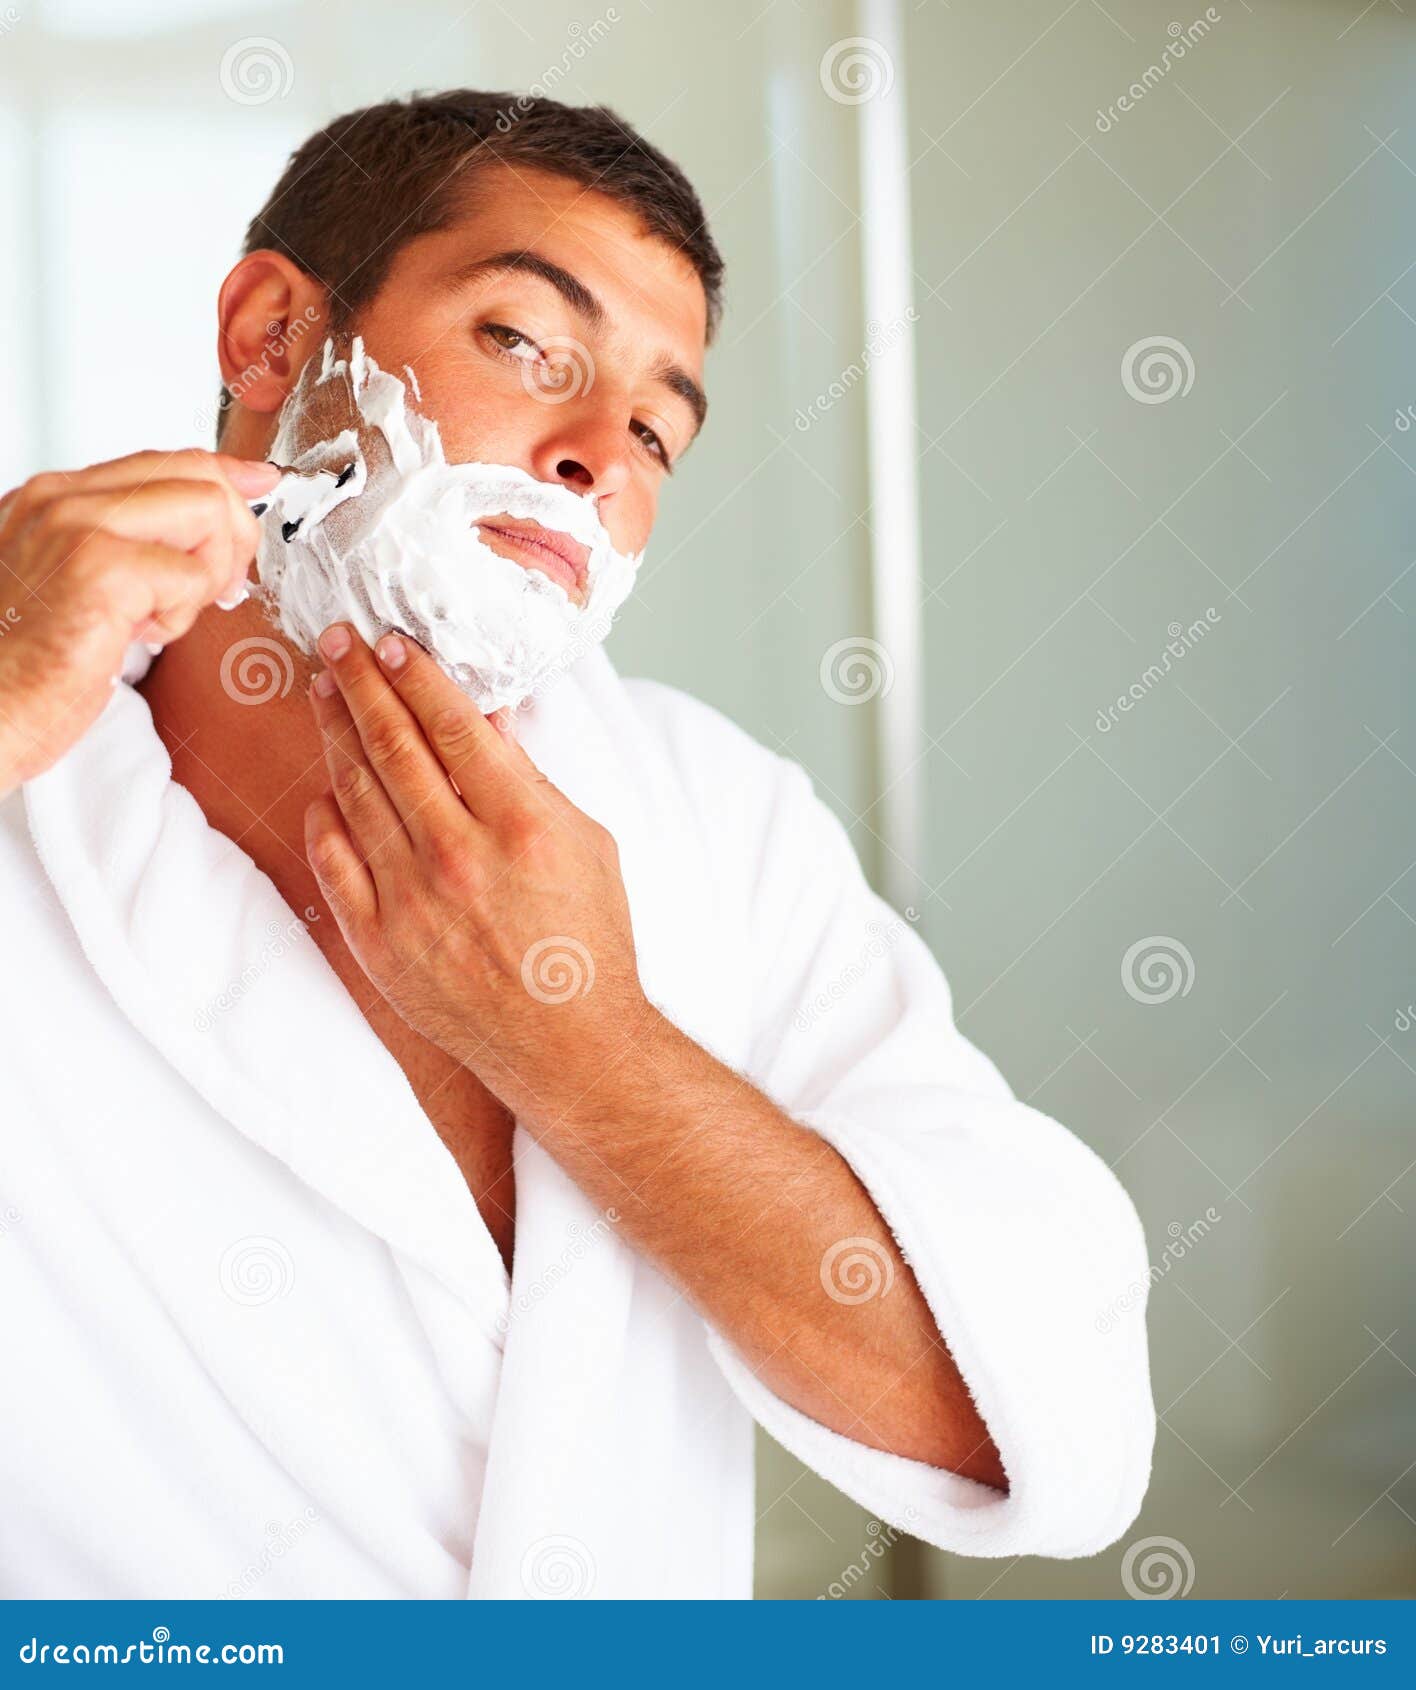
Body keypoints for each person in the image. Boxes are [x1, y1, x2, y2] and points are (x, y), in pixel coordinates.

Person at [0, 92, 1154, 1599]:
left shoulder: (722, 822)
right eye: (526, 343)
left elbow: (1054, 1411)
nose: (601, 453)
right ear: (275, 335)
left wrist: (586, 1050)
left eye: (661, 426)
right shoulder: (26, 771)